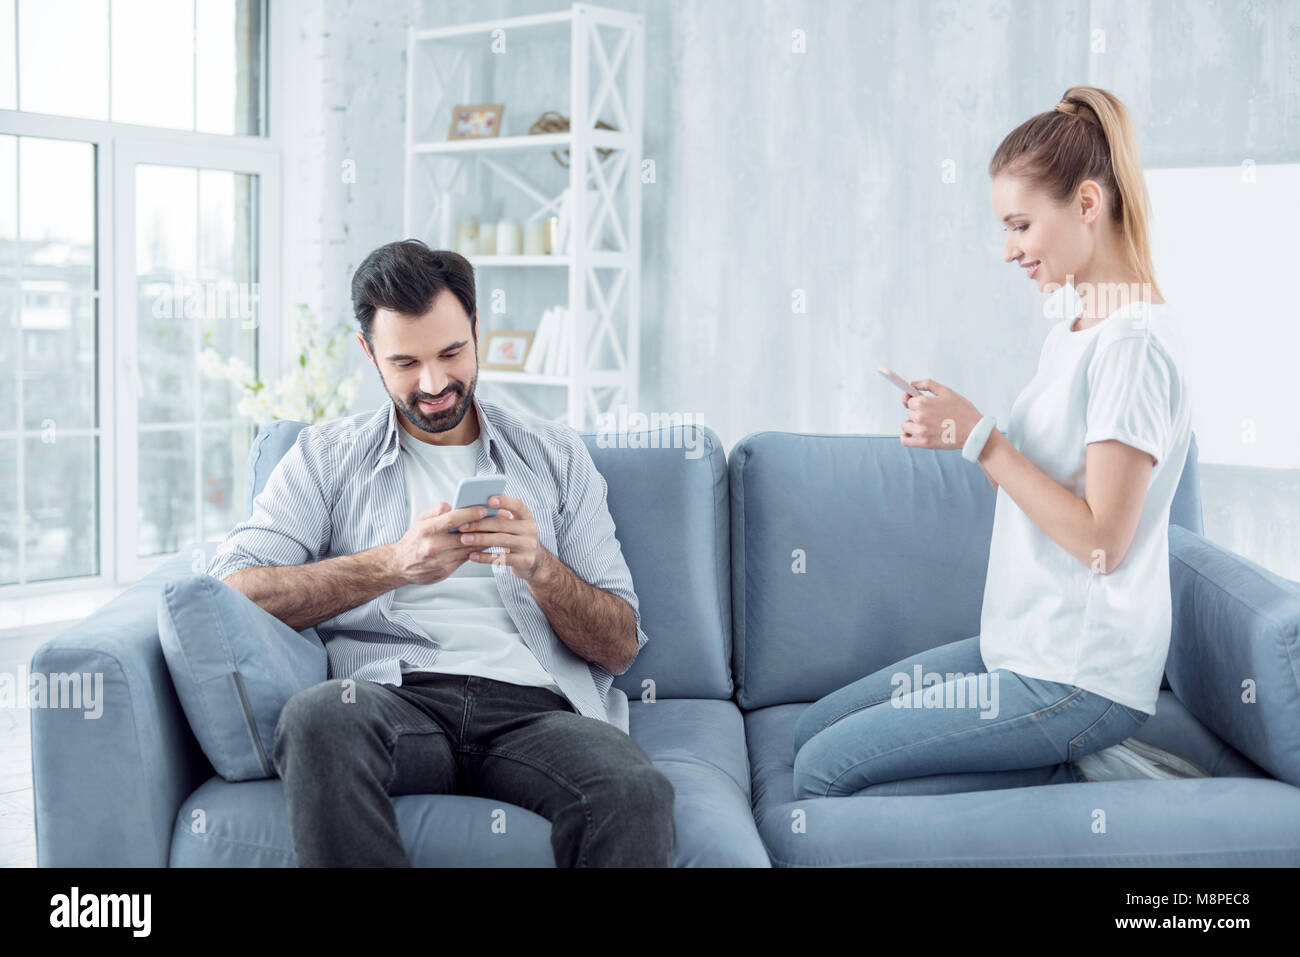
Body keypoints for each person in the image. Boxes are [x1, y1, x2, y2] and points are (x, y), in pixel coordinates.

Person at [208, 239, 675, 865]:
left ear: (478, 330)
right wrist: (391, 565)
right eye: (405, 362)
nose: (433, 384)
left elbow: (619, 645)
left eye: (452, 353)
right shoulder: (323, 459)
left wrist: (540, 568)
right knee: (317, 719)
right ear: (368, 353)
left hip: (534, 712)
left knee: (634, 790)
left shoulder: (556, 455)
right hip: (393, 697)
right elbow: (233, 592)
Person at [792, 85, 1192, 799]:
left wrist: (980, 437)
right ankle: (1040, 761)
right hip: (1020, 647)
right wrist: (959, 430)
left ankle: (1075, 764)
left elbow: (1103, 542)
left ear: (1089, 205)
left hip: (1077, 674)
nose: (1008, 250)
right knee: (807, 732)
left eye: (1020, 226)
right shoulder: (1074, 329)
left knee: (821, 768)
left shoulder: (1133, 345)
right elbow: (1043, 483)